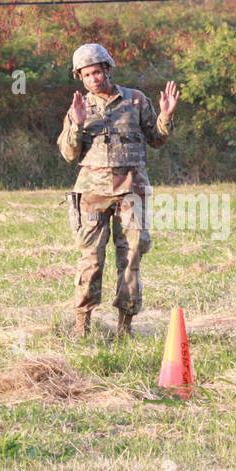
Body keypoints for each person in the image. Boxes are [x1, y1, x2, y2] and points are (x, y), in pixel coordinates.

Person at [56, 43, 178, 338]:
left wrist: (165, 116)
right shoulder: (78, 109)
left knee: (131, 259)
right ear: (80, 78)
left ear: (107, 70)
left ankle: (125, 328)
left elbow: (157, 140)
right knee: (91, 262)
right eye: (86, 75)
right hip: (92, 196)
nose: (92, 79)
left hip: (130, 194)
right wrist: (78, 124)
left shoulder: (135, 101)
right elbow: (69, 155)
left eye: (96, 72)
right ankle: (81, 328)